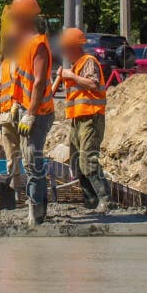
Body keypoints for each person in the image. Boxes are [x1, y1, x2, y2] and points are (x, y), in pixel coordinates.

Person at [9, 0, 55, 226]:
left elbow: (37, 82)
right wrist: (16, 104)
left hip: (39, 112)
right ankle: (37, 208)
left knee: (33, 161)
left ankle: (35, 213)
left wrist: (31, 113)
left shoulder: (39, 44)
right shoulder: (23, 41)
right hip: (25, 108)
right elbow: (21, 79)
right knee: (28, 162)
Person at [56, 28, 112, 213]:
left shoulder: (88, 62)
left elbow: (93, 83)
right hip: (77, 119)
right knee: (75, 161)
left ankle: (104, 199)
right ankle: (90, 200)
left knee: (88, 160)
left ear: (73, 46)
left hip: (91, 117)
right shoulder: (75, 66)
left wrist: (70, 76)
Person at [0, 27, 22, 197]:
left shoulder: (26, 62)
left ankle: (29, 193)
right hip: (6, 116)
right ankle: (15, 191)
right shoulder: (6, 64)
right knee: (11, 157)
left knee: (28, 156)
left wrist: (19, 105)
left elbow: (29, 88)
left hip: (21, 115)